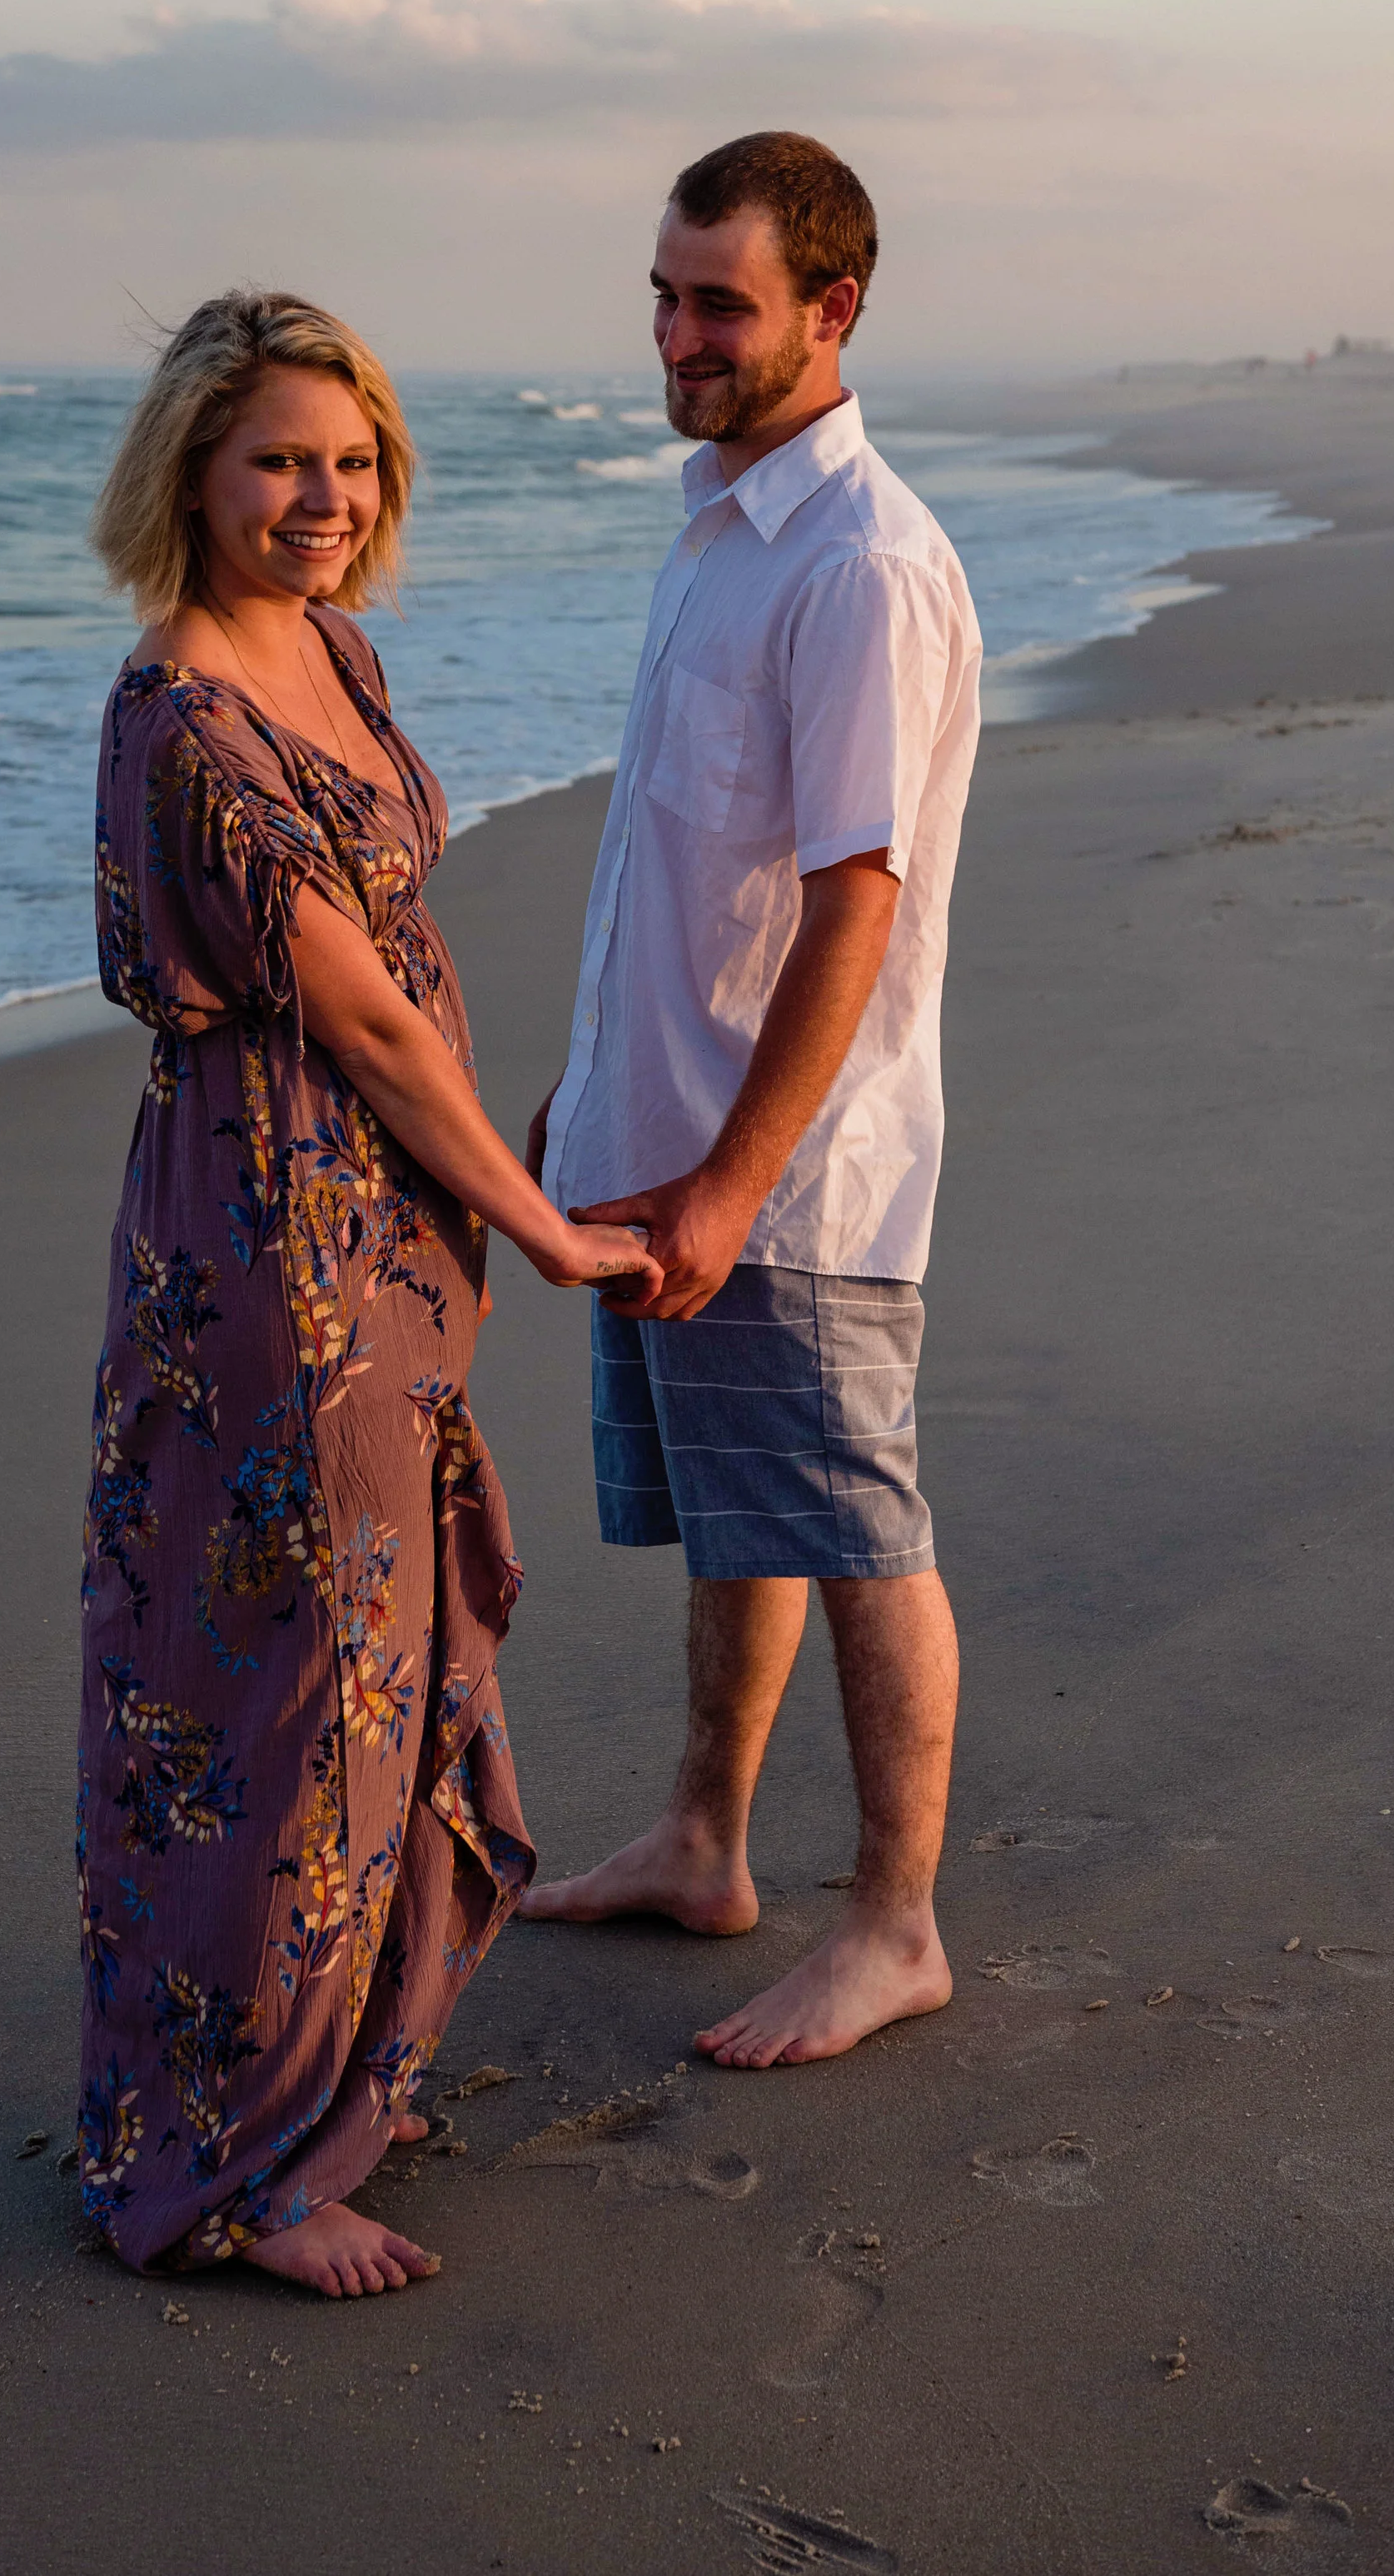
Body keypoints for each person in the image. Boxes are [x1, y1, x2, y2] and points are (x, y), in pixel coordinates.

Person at [76, 289, 659, 2299]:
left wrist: (477, 1215)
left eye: (350, 460)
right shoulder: (183, 717)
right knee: (292, 1682)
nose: (324, 498)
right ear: (191, 476)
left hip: (387, 1233)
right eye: (277, 464)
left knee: (358, 1657)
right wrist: (557, 1222)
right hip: (277, 1237)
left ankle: (314, 2089)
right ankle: (238, 2176)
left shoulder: (333, 649)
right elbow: (372, 1037)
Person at [522, 132, 983, 2070]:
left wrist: (730, 1175)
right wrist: (588, 1094)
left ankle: (892, 1925)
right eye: (661, 293)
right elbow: (668, 859)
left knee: (855, 1525)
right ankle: (706, 1840)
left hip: (782, 1177)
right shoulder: (720, 528)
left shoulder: (858, 565)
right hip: (664, 1132)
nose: (676, 333)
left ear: (829, 310)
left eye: (717, 301)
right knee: (743, 1513)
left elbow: (849, 901)